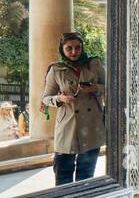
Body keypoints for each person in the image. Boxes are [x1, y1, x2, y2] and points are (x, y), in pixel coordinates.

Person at [42, 32, 106, 185]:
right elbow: (46, 98)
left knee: (86, 173)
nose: (74, 52)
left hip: (91, 124)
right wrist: (60, 99)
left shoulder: (94, 64)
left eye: (78, 48)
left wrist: (94, 88)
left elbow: (109, 87)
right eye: (69, 48)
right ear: (62, 49)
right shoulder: (56, 69)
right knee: (63, 171)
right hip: (67, 125)